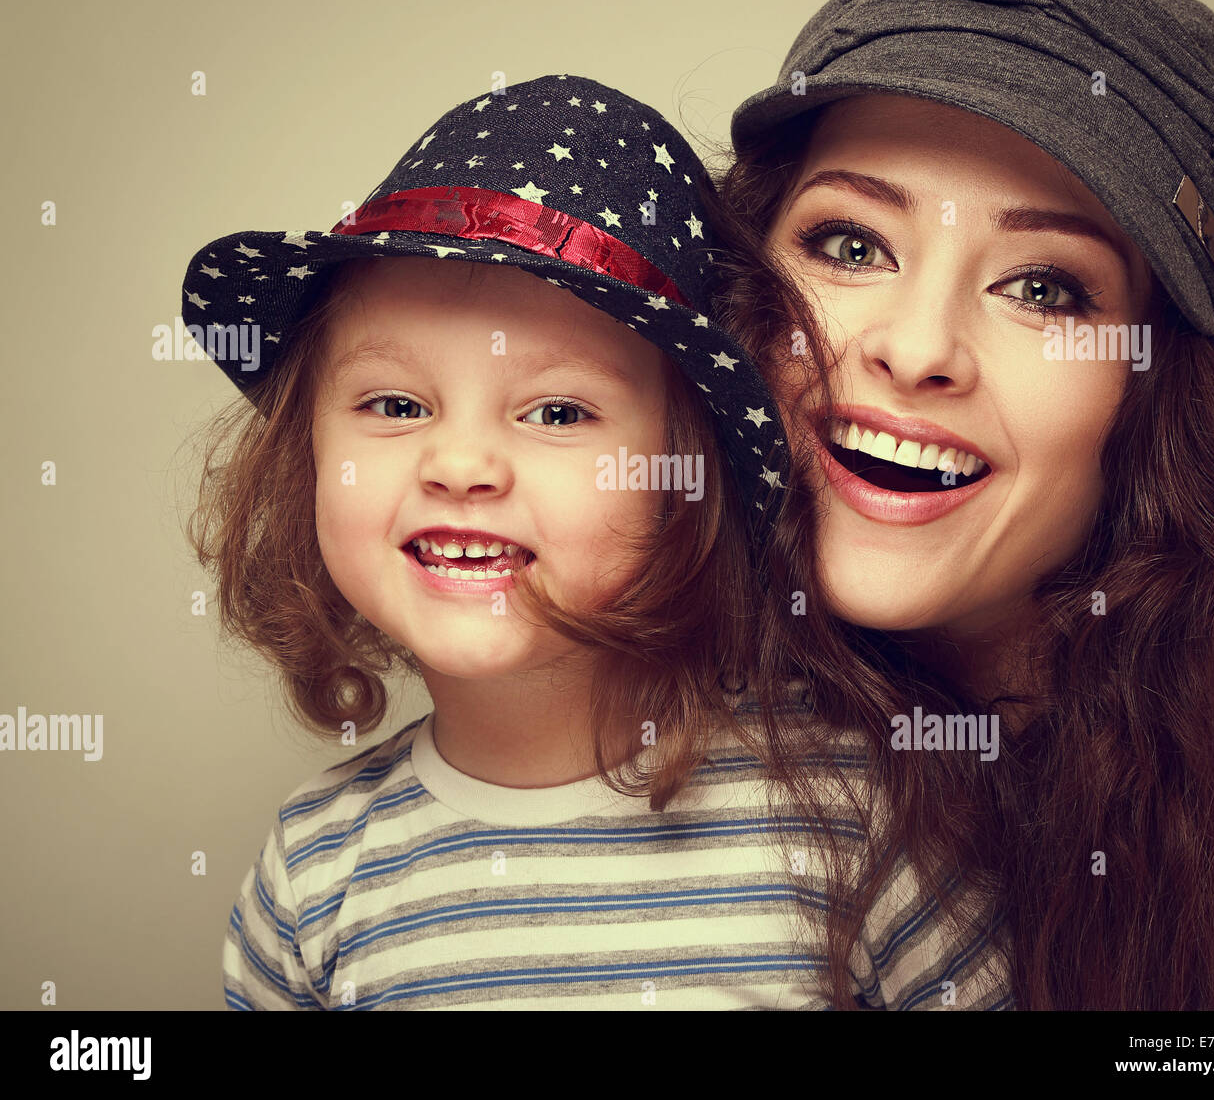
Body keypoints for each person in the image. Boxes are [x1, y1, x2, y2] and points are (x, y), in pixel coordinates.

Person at [180, 74, 1007, 1009]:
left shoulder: (857, 822)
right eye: (396, 404)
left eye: (558, 411)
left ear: (686, 483)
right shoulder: (310, 874)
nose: (460, 464)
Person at [708, 0, 1214, 1009]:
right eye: (849, 243)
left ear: (1153, 392)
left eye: (1043, 287)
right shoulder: (639, 715)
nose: (917, 346)